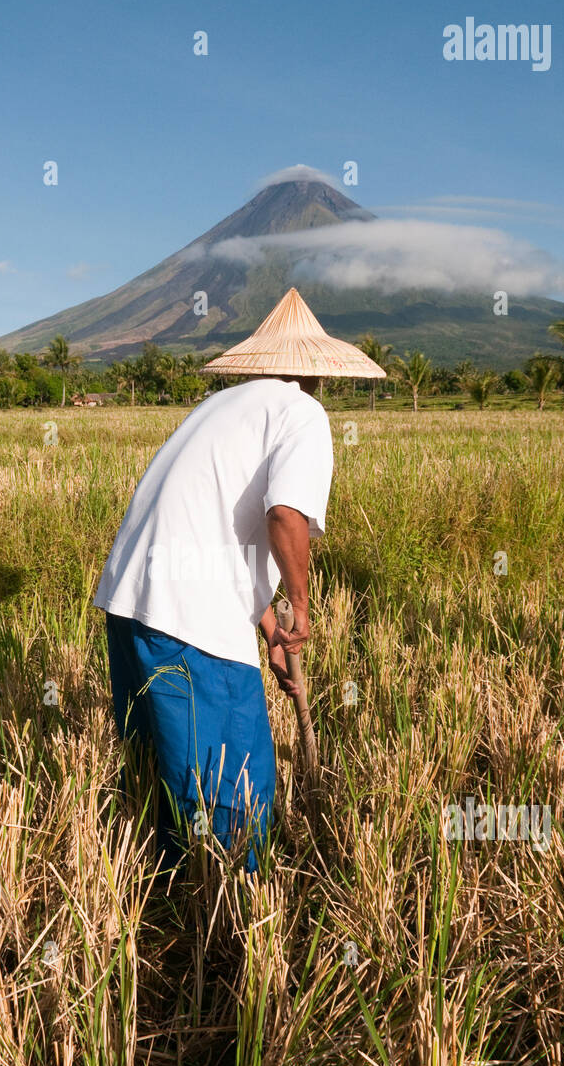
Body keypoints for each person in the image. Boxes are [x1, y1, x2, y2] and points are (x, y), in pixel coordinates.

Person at [93, 288, 380, 873]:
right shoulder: (303, 413)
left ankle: (162, 898)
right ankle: (233, 926)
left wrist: (270, 627)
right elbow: (284, 517)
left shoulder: (220, 407)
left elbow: (216, 530)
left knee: (159, 774)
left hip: (128, 603)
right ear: (318, 373)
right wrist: (300, 606)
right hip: (189, 620)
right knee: (235, 793)